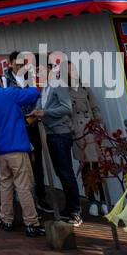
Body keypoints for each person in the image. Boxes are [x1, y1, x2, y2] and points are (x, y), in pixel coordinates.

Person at [0, 64, 46, 238]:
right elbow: (33, 93)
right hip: (16, 146)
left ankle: (6, 219)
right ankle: (31, 222)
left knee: (6, 184)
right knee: (23, 185)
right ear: (0, 81)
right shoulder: (8, 93)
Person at [39, 54, 82, 226]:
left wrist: (46, 113)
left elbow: (66, 108)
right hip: (50, 133)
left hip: (60, 133)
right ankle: (69, 206)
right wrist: (37, 111)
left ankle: (76, 210)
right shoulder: (47, 86)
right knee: (60, 172)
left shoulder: (59, 84)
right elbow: (42, 105)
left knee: (66, 171)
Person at [6, 50, 50, 213]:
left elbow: (39, 97)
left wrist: (36, 111)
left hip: (32, 125)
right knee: (18, 162)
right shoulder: (5, 80)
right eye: (16, 63)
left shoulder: (30, 78)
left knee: (37, 161)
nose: (19, 66)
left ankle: (40, 197)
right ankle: (21, 198)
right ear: (10, 63)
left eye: (21, 63)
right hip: (16, 127)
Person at [68, 61, 106, 216]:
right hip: (79, 132)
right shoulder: (64, 90)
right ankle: (91, 200)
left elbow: (95, 107)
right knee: (85, 166)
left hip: (91, 130)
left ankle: (103, 199)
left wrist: (99, 124)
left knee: (98, 165)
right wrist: (72, 128)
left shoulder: (85, 87)